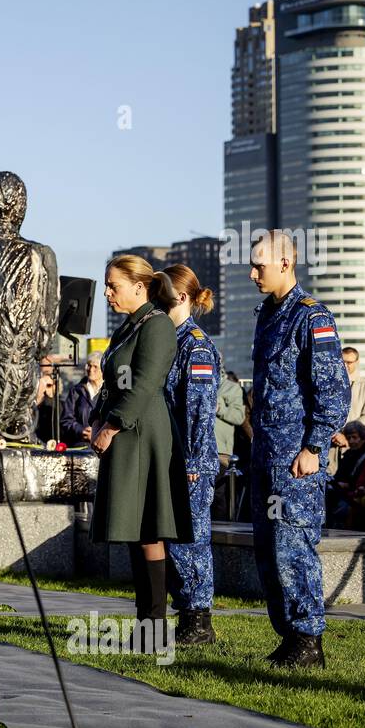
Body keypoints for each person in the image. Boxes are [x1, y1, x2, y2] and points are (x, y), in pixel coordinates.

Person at [248, 230, 350, 668]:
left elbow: (334, 391)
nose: (253, 273)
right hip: (267, 455)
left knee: (294, 546)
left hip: (296, 461)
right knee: (270, 549)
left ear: (285, 264)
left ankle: (308, 640)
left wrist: (314, 446)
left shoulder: (311, 317)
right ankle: (289, 635)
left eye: (260, 265)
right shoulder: (267, 314)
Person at [89, 255, 192, 651]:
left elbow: (146, 383)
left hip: (143, 434)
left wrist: (112, 425)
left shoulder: (158, 325)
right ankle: (144, 627)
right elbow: (114, 385)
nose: (107, 292)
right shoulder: (127, 329)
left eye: (114, 285)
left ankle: (154, 629)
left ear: (140, 286)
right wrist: (99, 419)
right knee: (135, 530)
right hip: (124, 434)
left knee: (149, 530)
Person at [161, 265, 222, 644]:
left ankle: (198, 622)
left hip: (190, 459)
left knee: (190, 540)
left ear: (181, 298)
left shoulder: (195, 345)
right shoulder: (172, 340)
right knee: (176, 539)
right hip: (174, 455)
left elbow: (199, 410)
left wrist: (193, 461)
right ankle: (187, 614)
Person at [329, 346, 365, 477]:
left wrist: (346, 434)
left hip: (356, 446)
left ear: (357, 362)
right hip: (332, 446)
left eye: (349, 362)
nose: (345, 365)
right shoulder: (330, 386)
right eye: (342, 361)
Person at [60, 353, 103, 447]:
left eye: (95, 366)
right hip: (80, 445)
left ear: (103, 369)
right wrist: (81, 430)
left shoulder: (108, 391)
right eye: (89, 365)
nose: (91, 370)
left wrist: (98, 432)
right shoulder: (76, 391)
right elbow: (66, 420)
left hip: (102, 444)